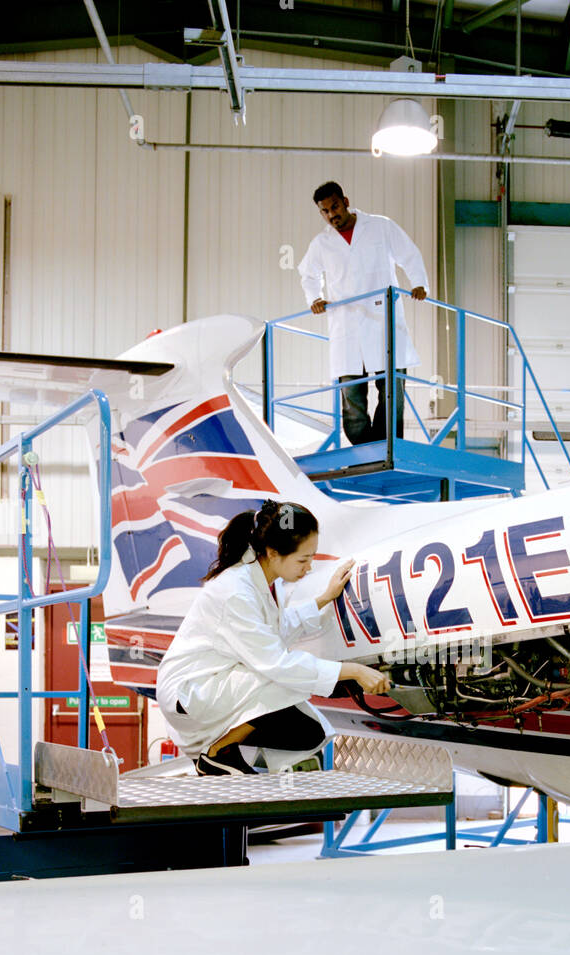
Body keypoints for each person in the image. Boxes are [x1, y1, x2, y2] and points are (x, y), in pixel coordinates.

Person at [156, 500, 391, 775]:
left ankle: (224, 753)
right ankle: (219, 751)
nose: (309, 568)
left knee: (309, 733)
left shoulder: (260, 580)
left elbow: (275, 628)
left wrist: (325, 598)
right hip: (191, 692)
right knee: (283, 676)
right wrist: (354, 671)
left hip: (214, 683)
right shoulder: (237, 591)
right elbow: (277, 663)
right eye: (303, 560)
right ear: (273, 553)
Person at [297, 181, 429, 446]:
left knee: (392, 392)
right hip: (346, 328)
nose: (331, 214)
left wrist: (419, 283)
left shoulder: (380, 227)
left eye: (334, 206)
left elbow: (409, 254)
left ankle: (387, 448)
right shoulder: (322, 243)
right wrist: (315, 298)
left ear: (345, 201)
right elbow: (307, 274)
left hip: (384, 323)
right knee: (352, 400)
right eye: (325, 211)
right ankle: (365, 453)